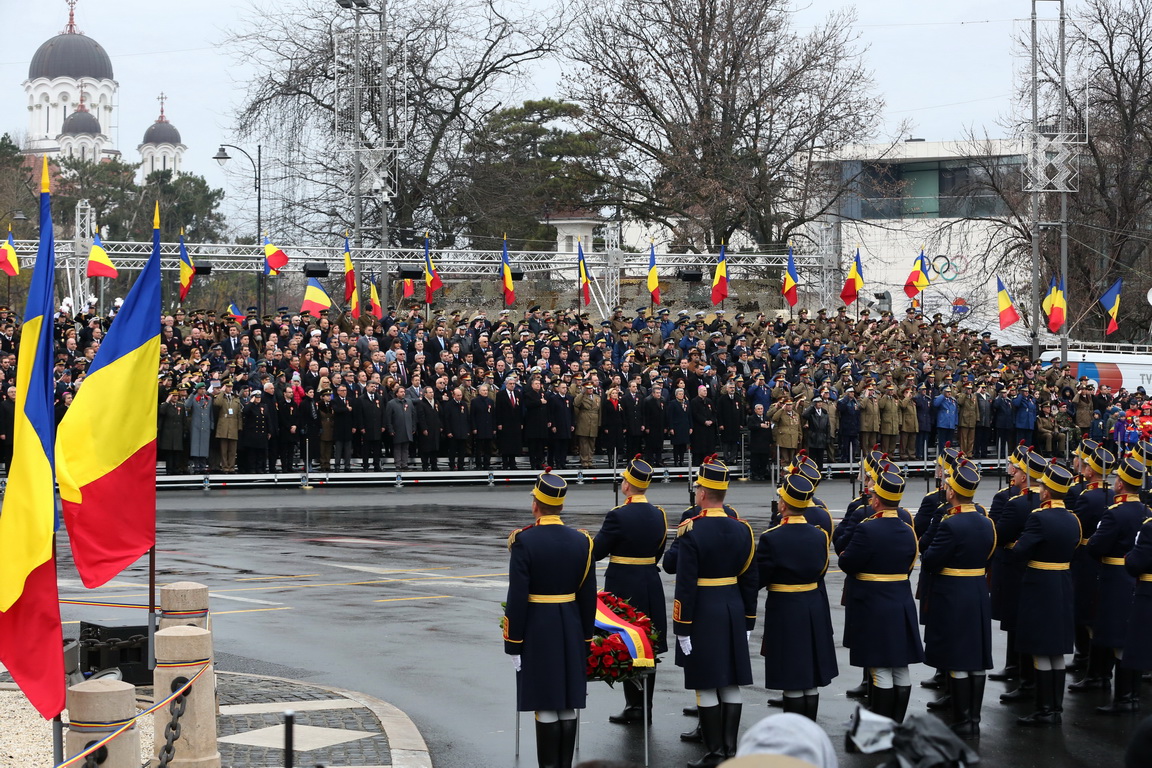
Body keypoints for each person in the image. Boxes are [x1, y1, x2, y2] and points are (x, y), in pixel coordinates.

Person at [504, 471, 596, 768]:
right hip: (570, 624)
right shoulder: (582, 541)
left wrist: (513, 642)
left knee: (545, 701)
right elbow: (588, 595)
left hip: (538, 628)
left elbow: (518, 596)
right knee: (566, 701)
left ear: (536, 505)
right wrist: (585, 636)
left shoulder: (524, 541)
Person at [672, 458, 757, 766]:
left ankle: (715, 753)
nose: (696, 492)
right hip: (732, 606)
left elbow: (685, 584)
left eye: (698, 488)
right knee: (730, 681)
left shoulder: (691, 529)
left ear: (704, 492)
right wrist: (749, 618)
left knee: (706, 682)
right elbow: (750, 579)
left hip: (703, 611)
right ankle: (731, 750)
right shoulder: (743, 529)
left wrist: (681, 626)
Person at [837, 468, 923, 723]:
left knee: (880, 666)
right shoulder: (908, 529)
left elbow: (847, 563)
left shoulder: (867, 529)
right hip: (901, 600)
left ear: (876, 500)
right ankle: (896, 721)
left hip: (874, 602)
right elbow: (909, 564)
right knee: (900, 665)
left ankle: (881, 722)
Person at [920, 460, 995, 737]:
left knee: (957, 655)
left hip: (952, 592)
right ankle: (973, 718)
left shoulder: (950, 523)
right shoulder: (986, 521)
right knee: (976, 655)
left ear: (952, 492)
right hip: (976, 591)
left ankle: (964, 718)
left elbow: (930, 560)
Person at [756, 471, 838, 720]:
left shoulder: (772, 537)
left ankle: (795, 733)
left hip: (785, 607)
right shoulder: (819, 535)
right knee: (810, 675)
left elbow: (760, 578)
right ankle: (810, 729)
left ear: (783, 504)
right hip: (812, 605)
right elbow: (821, 570)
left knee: (791, 675)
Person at [592, 457, 667, 725]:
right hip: (649, 580)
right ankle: (644, 706)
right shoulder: (659, 514)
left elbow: (598, 550)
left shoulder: (618, 515)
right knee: (649, 642)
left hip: (624, 584)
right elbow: (658, 551)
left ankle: (634, 706)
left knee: (627, 642)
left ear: (627, 485)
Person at [1013, 460, 1081, 727]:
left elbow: (1020, 551)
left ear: (1046, 492)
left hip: (1040, 584)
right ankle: (1055, 708)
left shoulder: (1038, 517)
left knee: (1041, 649)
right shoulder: (1072, 518)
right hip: (1062, 582)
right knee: (1056, 651)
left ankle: (1044, 709)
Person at [1089, 455, 1147, 713]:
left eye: (1117, 480)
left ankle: (1124, 698)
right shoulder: (1146, 511)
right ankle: (1130, 695)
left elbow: (1097, 546)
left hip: (1115, 576)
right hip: (1135, 579)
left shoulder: (1115, 513)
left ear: (1122, 485)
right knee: (1129, 637)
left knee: (1118, 639)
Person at [995, 446, 1044, 703]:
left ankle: (1026, 681)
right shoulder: (1048, 502)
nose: (1012, 473)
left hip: (1017, 566)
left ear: (1025, 476)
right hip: (1041, 571)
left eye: (1016, 470)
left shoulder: (1017, 503)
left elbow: (1000, 535)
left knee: (1020, 622)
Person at [1068, 445, 1114, 689]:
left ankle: (1094, 670)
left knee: (1086, 614)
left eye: (1085, 465)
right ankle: (1092, 665)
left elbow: (1077, 527)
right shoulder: (1110, 495)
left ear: (1090, 471)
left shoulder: (1087, 496)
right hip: (1104, 562)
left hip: (1086, 558)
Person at [213, 378, 242, 473]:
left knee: (232, 450)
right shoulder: (221, 397)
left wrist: (239, 427)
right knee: (224, 450)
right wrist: (221, 392)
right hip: (223, 426)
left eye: (231, 387)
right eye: (228, 386)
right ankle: (225, 467)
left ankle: (231, 467)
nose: (230, 388)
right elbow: (217, 403)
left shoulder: (236, 398)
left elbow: (239, 414)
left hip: (233, 426)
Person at [385, 386, 415, 471]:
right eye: (401, 392)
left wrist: (413, 427)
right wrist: (390, 429)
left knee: (405, 448)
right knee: (397, 448)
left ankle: (404, 464)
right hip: (397, 429)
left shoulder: (409, 402)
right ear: (396, 393)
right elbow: (388, 418)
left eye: (404, 392)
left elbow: (413, 415)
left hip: (407, 428)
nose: (403, 393)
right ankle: (398, 464)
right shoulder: (391, 403)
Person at [416, 385, 442, 471]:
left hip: (435, 428)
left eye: (432, 392)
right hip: (426, 429)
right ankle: (425, 465)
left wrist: (441, 426)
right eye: (430, 392)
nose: (432, 394)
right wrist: (424, 428)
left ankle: (434, 464)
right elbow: (421, 417)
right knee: (425, 448)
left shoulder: (436, 402)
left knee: (435, 447)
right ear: (425, 394)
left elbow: (440, 415)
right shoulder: (421, 403)